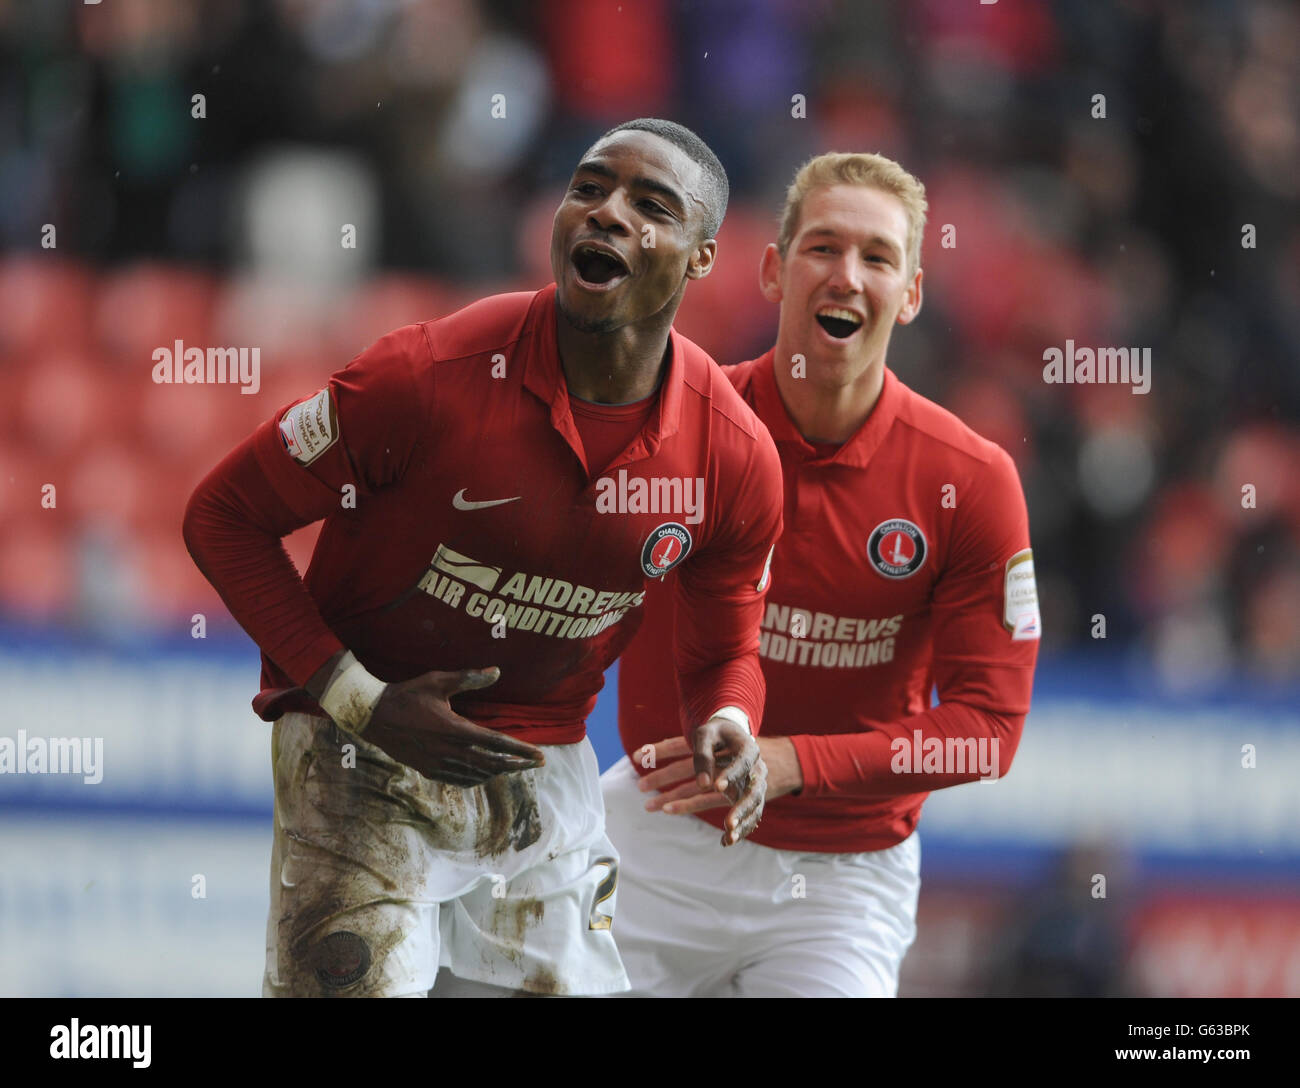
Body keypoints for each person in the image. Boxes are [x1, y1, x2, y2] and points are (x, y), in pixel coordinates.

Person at [182, 118, 783, 998]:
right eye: (588, 188)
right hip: (360, 761)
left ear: (699, 258)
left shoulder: (732, 455)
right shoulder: (425, 376)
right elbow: (223, 515)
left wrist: (730, 721)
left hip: (543, 772)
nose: (606, 213)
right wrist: (358, 701)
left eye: (650, 205)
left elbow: (730, 648)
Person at [604, 151, 1041, 997]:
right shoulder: (676, 430)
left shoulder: (971, 481)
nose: (848, 275)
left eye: (878, 258)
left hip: (843, 878)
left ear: (910, 293)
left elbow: (990, 730)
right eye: (823, 248)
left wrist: (792, 762)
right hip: (658, 835)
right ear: (774, 270)